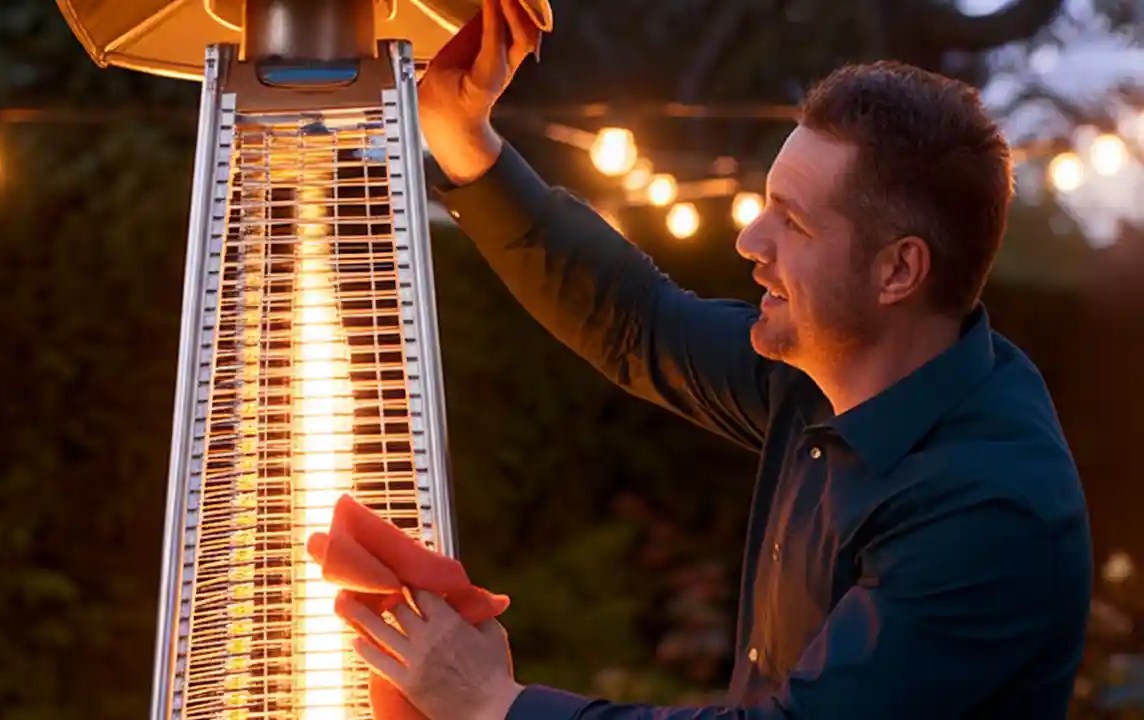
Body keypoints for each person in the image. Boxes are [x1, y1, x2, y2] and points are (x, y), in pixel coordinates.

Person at [334, 0, 1094, 717]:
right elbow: (639, 325)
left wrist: (496, 704)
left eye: (791, 223)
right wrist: (462, 137)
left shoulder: (988, 513)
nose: (749, 242)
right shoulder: (832, 376)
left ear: (899, 271)